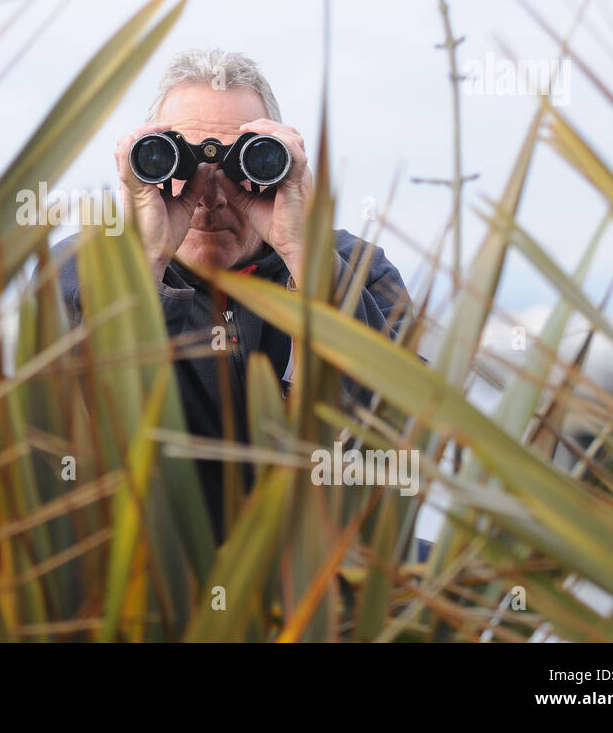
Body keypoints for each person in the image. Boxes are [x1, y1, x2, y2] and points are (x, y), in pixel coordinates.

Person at [54, 48, 409, 542]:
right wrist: (143, 262)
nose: (210, 194)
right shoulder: (78, 271)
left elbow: (389, 437)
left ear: (282, 164)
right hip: (149, 569)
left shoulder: (356, 271)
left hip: (318, 564)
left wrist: (303, 256)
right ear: (147, 161)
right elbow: (60, 433)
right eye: (183, 159)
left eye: (244, 161)